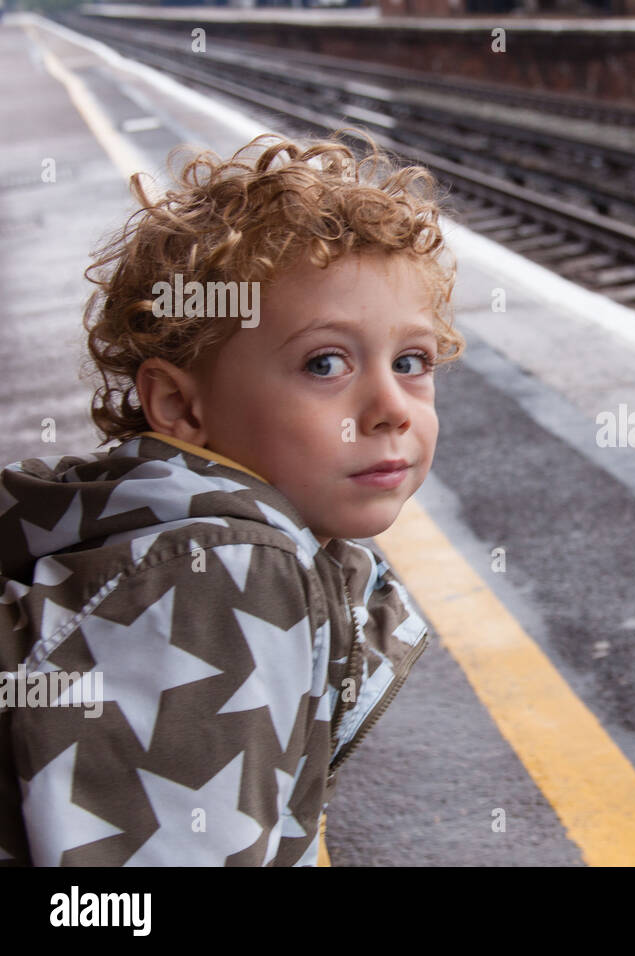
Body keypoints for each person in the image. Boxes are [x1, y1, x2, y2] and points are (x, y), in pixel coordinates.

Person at [0, 130, 463, 865]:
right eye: (325, 363)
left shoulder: (187, 542)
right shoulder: (224, 576)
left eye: (411, 361)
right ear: (182, 408)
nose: (389, 408)